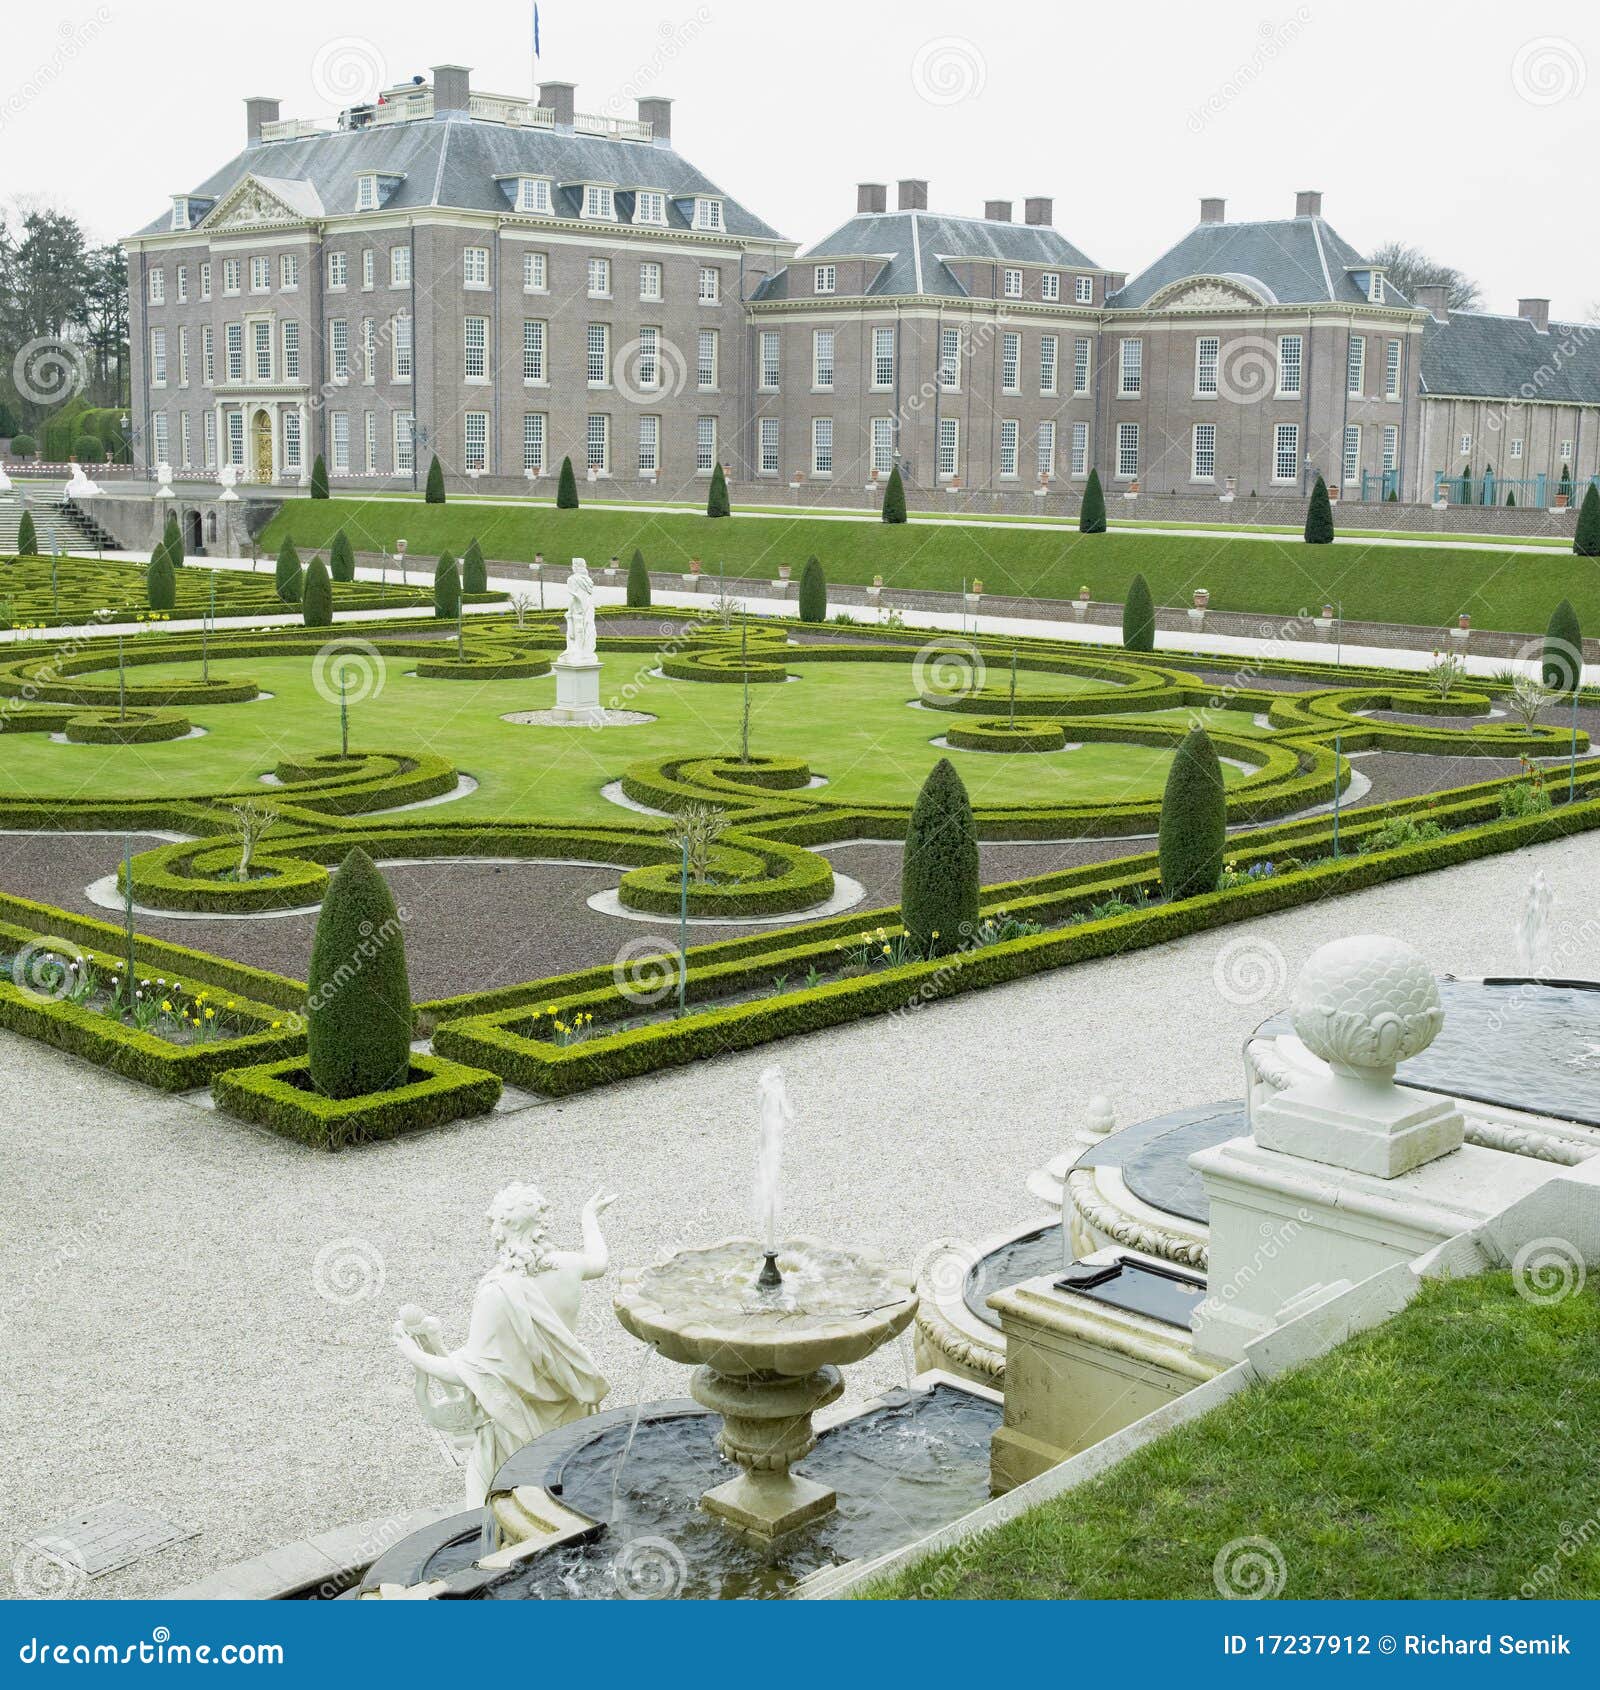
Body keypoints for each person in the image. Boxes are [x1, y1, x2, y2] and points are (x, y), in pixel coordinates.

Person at [393, 1184, 616, 1505]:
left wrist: (411, 1351)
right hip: (571, 1411)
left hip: (517, 1425)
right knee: (571, 1500)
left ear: (498, 1229)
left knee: (486, 1503)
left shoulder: (496, 1292)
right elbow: (600, 1261)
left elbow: (469, 1373)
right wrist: (589, 1217)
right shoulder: (569, 1266)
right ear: (542, 1223)